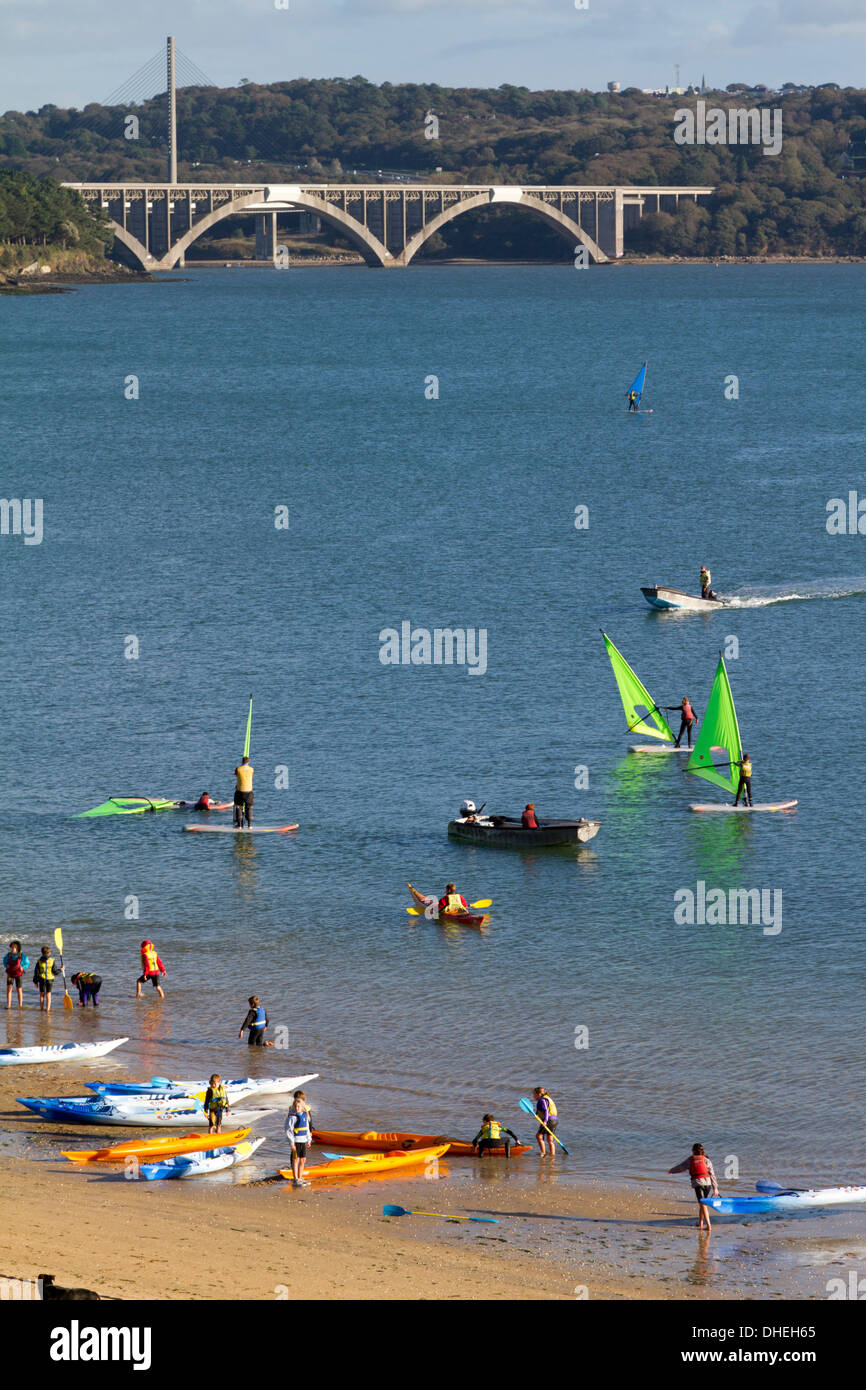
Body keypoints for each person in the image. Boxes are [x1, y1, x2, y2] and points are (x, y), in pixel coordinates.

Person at [669, 1142, 720, 1231]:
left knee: (703, 1205)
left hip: (698, 1185)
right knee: (702, 1204)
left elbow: (681, 1167)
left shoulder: (690, 1160)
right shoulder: (707, 1160)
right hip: (707, 1185)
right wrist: (715, 1188)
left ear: (693, 1151)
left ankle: (708, 1226)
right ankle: (700, 1222)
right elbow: (712, 1175)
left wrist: (671, 1171)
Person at [285, 1090, 312, 1187]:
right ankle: (295, 1179)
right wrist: (291, 1143)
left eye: (299, 1106)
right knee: (295, 1159)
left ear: (302, 1107)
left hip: (303, 1141)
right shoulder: (292, 1117)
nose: (297, 1108)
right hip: (296, 1142)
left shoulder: (305, 1115)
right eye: (295, 1106)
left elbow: (307, 1129)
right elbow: (288, 1130)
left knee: (303, 1159)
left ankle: (300, 1177)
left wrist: (309, 1140)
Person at [533, 1086, 559, 1156]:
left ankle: (543, 1153)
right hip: (555, 1120)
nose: (533, 1096)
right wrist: (536, 1113)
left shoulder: (542, 1100)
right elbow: (543, 1109)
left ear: (539, 1094)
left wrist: (545, 1121)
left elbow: (546, 1110)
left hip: (548, 1120)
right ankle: (552, 1154)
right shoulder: (547, 1098)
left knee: (539, 1136)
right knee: (550, 1139)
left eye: (534, 1094)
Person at [4, 940, 29, 1010]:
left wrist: (23, 967)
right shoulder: (8, 955)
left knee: (19, 990)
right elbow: (4, 961)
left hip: (18, 974)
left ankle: (20, 1005)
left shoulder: (22, 956)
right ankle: (8, 1005)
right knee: (9, 989)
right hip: (10, 974)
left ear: (17, 948)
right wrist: (6, 965)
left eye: (13, 948)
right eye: (11, 948)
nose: (11, 949)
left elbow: (27, 963)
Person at [33, 946, 59, 1013]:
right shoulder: (52, 960)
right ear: (49, 953)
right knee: (48, 994)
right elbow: (55, 972)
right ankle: (47, 1010)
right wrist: (61, 969)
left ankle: (41, 1008)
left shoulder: (39, 961)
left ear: (42, 953)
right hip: (49, 980)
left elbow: (36, 972)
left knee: (41, 994)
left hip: (41, 979)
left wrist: (35, 981)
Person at [234, 755, 254, 828]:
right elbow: (251, 775)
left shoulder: (238, 769)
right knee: (249, 807)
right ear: (249, 762)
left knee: (239, 807)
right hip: (249, 791)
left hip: (240, 791)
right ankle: (249, 825)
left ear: (242, 761)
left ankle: (239, 825)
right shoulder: (251, 769)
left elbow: (236, 775)